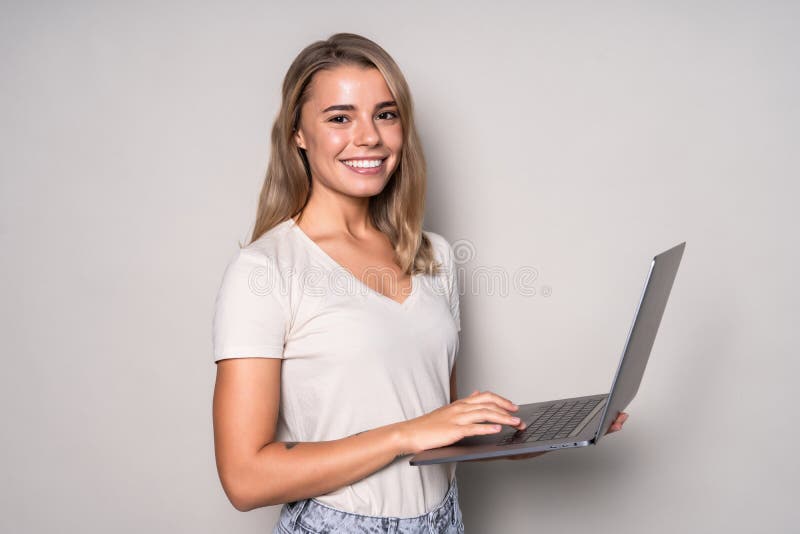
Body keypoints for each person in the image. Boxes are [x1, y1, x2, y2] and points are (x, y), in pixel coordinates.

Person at [211, 32, 628, 534]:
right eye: (340, 117)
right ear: (298, 133)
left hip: (443, 520)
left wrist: (524, 437)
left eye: (385, 114)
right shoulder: (265, 270)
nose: (369, 137)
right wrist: (405, 434)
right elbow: (245, 478)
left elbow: (435, 428)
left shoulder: (435, 256)